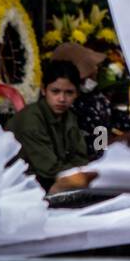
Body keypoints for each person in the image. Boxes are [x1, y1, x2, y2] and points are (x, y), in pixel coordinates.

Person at [6, 59, 91, 191]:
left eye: (69, 93)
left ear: (77, 94)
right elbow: (49, 168)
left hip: (51, 178)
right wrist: (82, 176)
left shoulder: (69, 116)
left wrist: (85, 173)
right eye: (55, 91)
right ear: (44, 90)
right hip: (22, 185)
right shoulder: (31, 120)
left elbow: (80, 157)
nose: (62, 99)